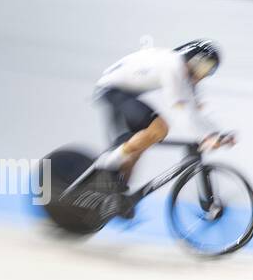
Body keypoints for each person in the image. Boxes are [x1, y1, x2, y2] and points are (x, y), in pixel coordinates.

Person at [91, 39, 222, 216]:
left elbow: (195, 111)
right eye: (205, 68)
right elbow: (180, 109)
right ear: (194, 60)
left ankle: (116, 198)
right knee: (159, 129)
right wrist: (205, 136)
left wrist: (215, 133)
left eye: (209, 72)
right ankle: (107, 163)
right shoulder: (173, 64)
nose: (204, 75)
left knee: (140, 143)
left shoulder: (183, 72)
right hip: (112, 89)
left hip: (123, 91)